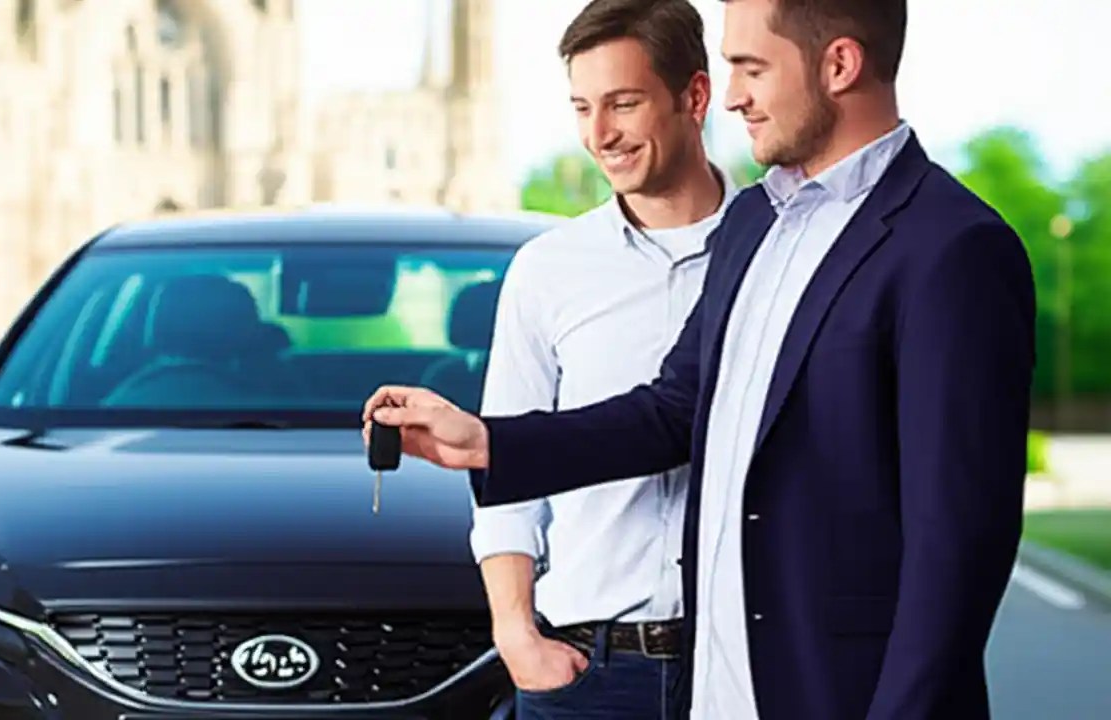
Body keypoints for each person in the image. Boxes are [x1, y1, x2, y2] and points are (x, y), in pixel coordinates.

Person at [363, 0, 1037, 718]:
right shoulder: (757, 223)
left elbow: (956, 548)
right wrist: (489, 442)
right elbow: (672, 410)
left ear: (839, 65)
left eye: (752, 67)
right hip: (714, 692)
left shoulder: (953, 248)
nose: (735, 93)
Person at [468, 1, 733, 718]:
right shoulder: (548, 271)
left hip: (745, 671)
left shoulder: (779, 252)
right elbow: (506, 481)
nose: (599, 135)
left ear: (695, 97)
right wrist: (517, 635)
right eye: (582, 107)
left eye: (623, 103)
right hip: (590, 674)